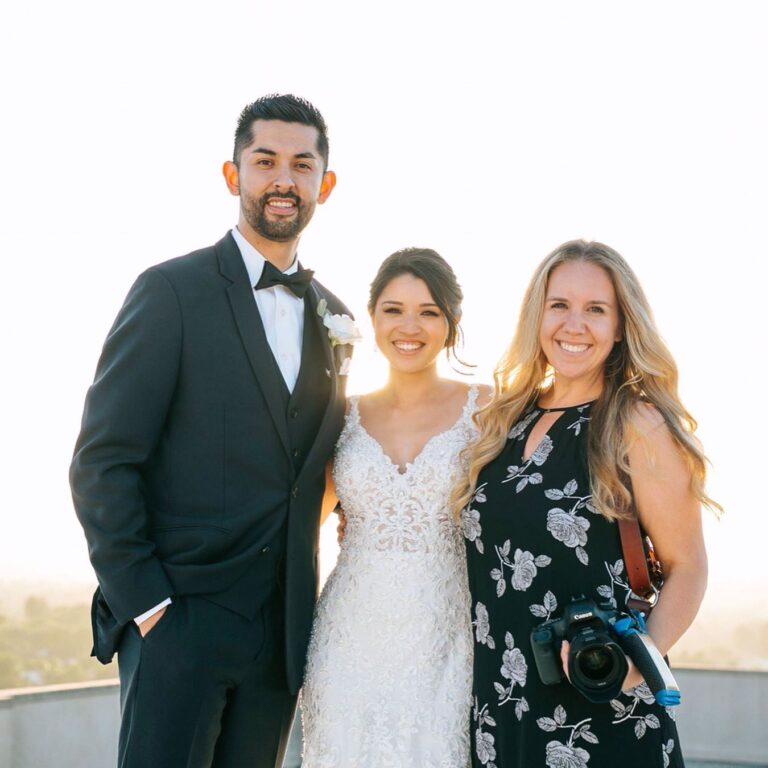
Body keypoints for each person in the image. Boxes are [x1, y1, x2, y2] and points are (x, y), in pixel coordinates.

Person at [70, 94, 355, 768]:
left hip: (282, 638)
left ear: (325, 184)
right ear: (234, 176)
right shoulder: (170, 292)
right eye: (265, 162)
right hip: (180, 624)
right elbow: (104, 460)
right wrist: (148, 607)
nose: (283, 180)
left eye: (301, 164)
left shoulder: (335, 317)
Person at [454, 240, 716, 767]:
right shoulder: (504, 420)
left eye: (596, 309)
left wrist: (633, 669)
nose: (574, 325)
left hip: (603, 713)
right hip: (503, 712)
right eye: (560, 306)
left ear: (620, 326)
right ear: (537, 315)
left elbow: (688, 568)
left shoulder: (637, 425)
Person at [300, 248, 491, 767]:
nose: (410, 326)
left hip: (445, 645)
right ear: (372, 317)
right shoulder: (341, 414)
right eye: (393, 309)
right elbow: (300, 521)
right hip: (347, 642)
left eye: (429, 311)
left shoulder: (492, 409)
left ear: (451, 324)